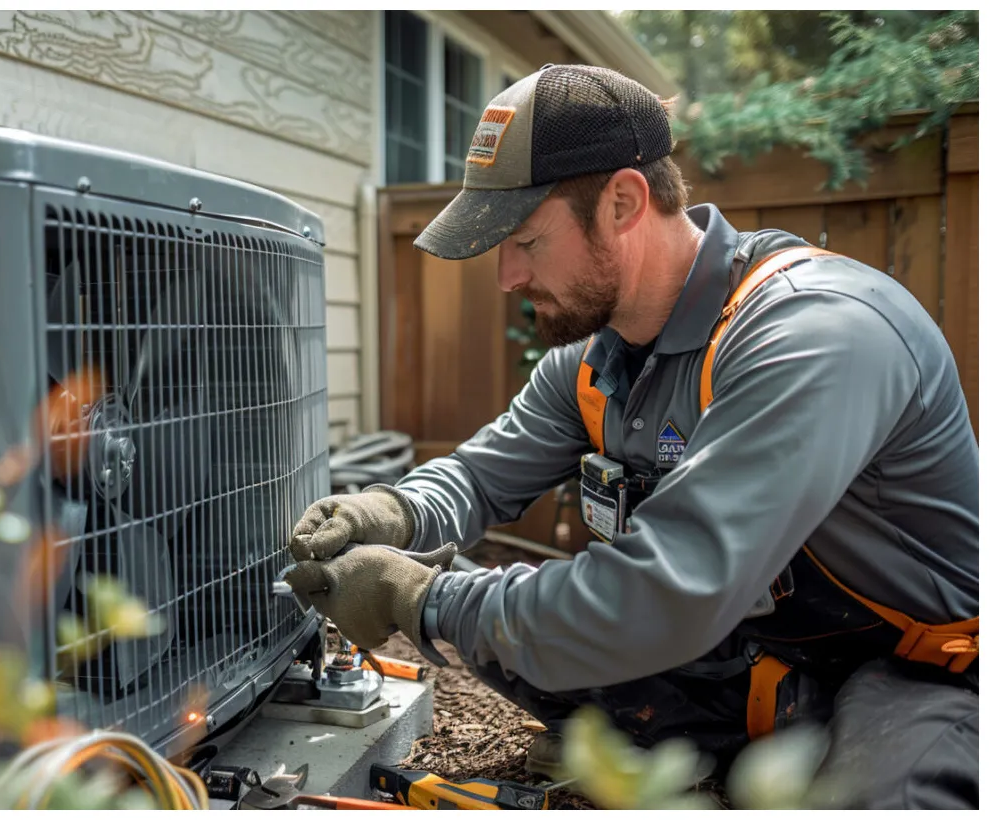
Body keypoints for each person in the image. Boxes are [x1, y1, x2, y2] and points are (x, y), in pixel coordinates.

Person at [284, 64, 978, 809]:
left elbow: (664, 594)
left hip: (918, 673)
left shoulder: (817, 333)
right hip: (755, 657)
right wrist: (389, 513)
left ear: (622, 202)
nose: (506, 276)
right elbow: (480, 478)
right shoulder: (593, 366)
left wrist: (421, 597)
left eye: (524, 239)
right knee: (546, 639)